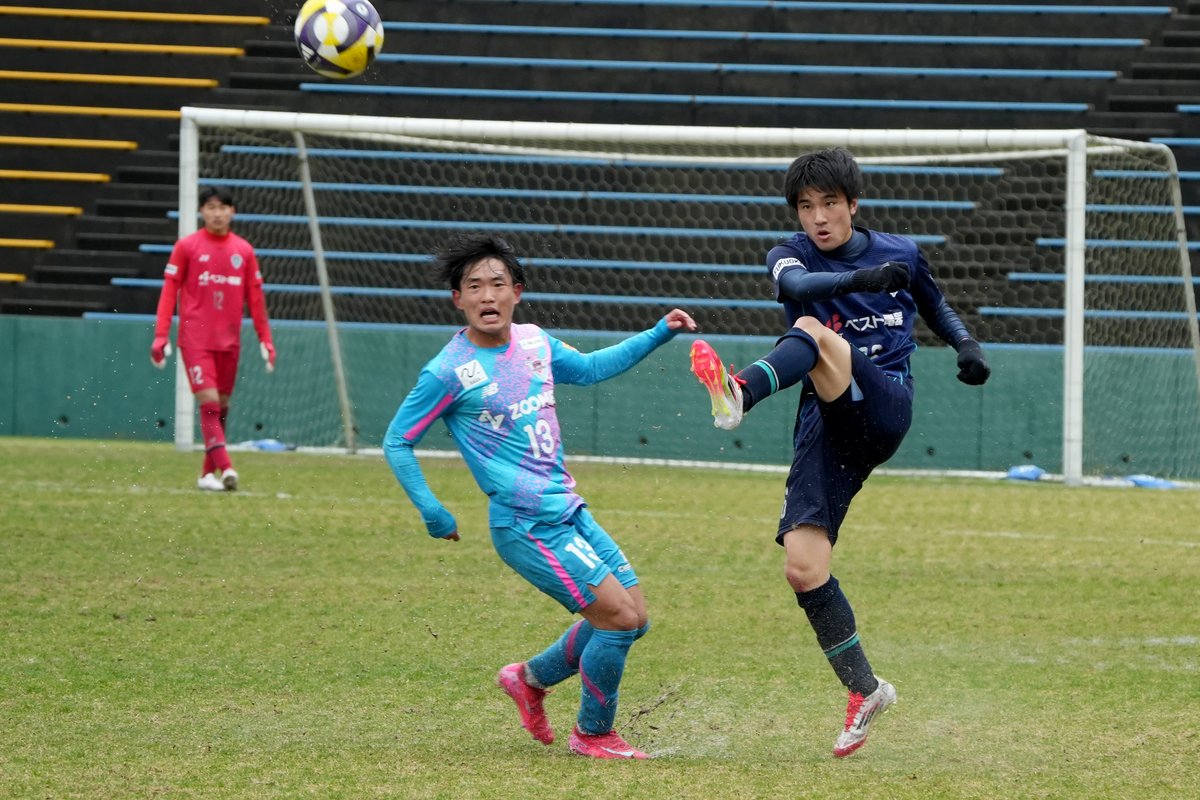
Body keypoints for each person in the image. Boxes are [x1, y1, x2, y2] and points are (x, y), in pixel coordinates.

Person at [689, 148, 990, 758]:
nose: (818, 217)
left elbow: (933, 302)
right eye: (806, 207)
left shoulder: (900, 252)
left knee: (809, 332)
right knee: (803, 566)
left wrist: (965, 345)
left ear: (854, 204)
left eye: (830, 203)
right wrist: (855, 282)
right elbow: (800, 286)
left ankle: (740, 392)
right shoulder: (787, 256)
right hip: (825, 422)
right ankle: (865, 690)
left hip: (885, 405)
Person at [383, 233, 697, 760]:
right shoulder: (447, 370)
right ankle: (593, 735)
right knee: (617, 620)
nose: (487, 295)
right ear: (457, 299)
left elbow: (594, 367)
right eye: (474, 286)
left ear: (517, 292)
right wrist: (432, 509)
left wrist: (659, 332)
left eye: (497, 284)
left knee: (634, 618)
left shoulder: (533, 342)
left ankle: (529, 680)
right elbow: (397, 440)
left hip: (567, 509)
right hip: (525, 525)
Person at [150, 185, 275, 492]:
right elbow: (169, 290)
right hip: (195, 339)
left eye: (223, 207)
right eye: (211, 207)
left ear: (232, 211)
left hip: (229, 342)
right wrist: (161, 335)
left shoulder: (243, 251)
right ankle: (227, 467)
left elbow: (255, 299)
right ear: (202, 211)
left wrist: (266, 340)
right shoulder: (187, 246)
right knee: (208, 403)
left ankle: (207, 474)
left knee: (221, 407)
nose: (217, 213)